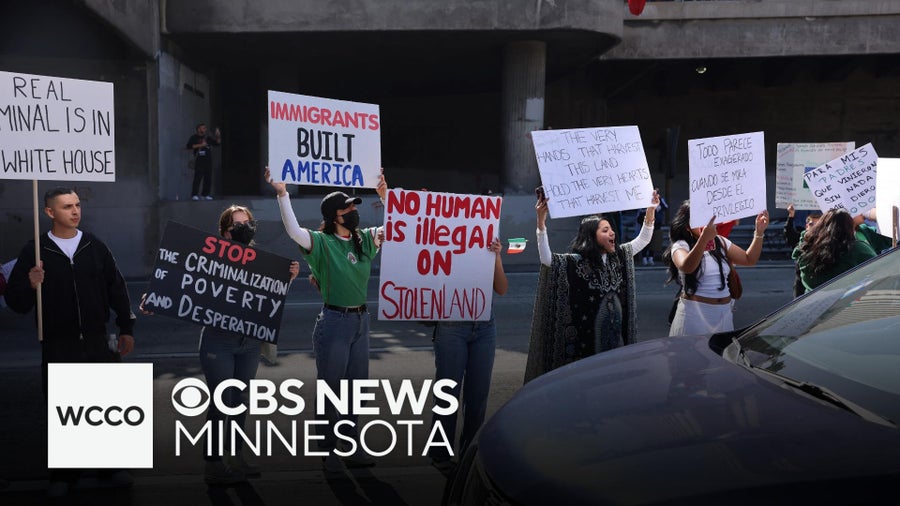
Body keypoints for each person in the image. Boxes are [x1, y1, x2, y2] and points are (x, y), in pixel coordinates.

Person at [141, 205, 300, 484]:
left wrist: (287, 278)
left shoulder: (262, 261)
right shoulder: (209, 256)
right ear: (224, 232)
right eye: (235, 225)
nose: (242, 228)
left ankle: (235, 456)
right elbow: (181, 282)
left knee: (239, 402)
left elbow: (266, 302)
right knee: (221, 402)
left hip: (249, 343)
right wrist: (154, 297)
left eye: (247, 223)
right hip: (219, 342)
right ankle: (213, 463)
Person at [4, 187, 136, 497]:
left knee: (105, 407)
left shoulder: (94, 245)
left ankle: (111, 467)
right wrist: (30, 283)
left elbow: (116, 288)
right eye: (66, 207)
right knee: (63, 410)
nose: (75, 211)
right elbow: (16, 302)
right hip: (57, 341)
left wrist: (127, 327)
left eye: (77, 205)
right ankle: (64, 475)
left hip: (97, 339)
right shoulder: (35, 250)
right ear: (50, 212)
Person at [266, 167, 387, 473]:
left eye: (353, 207)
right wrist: (282, 194)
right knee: (331, 390)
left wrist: (386, 197)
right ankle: (330, 452)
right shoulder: (320, 242)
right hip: (334, 322)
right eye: (347, 207)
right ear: (334, 215)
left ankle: (350, 447)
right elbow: (294, 231)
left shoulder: (363, 240)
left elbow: (400, 227)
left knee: (355, 389)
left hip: (361, 321)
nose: (352, 211)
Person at [524, 189, 661, 382]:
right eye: (605, 230)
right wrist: (541, 222)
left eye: (611, 229)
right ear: (591, 236)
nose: (612, 233)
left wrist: (650, 209)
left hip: (615, 345)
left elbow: (644, 238)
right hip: (585, 349)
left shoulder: (619, 256)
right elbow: (547, 259)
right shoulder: (576, 262)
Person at [428, 237, 508, 471]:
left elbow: (502, 289)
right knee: (447, 393)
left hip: (484, 327)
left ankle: (470, 454)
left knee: (478, 395)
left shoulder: (488, 250)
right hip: (451, 327)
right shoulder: (440, 248)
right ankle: (439, 454)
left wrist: (497, 256)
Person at [664, 201, 769, 336]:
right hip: (693, 317)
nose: (705, 224)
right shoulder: (681, 245)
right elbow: (686, 267)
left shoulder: (720, 241)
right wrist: (703, 239)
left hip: (723, 316)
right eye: (698, 220)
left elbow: (749, 259)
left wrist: (759, 232)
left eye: (706, 219)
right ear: (688, 227)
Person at [793, 208, 876, 293]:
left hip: (814, 302)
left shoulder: (806, 249)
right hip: (849, 300)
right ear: (849, 227)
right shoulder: (857, 248)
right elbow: (878, 270)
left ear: (821, 225)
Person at [784, 204, 822, 297]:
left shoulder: (826, 241)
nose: (814, 227)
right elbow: (789, 233)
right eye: (811, 224)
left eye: (818, 225)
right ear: (806, 226)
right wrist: (791, 216)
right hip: (801, 287)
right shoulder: (800, 240)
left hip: (820, 286)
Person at [186, 122, 222, 201]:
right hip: (199, 160)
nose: (205, 129)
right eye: (203, 128)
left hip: (208, 161)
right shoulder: (194, 137)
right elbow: (189, 146)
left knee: (208, 178)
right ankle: (194, 194)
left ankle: (205, 194)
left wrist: (218, 135)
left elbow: (217, 143)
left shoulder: (207, 138)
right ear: (199, 129)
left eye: (205, 128)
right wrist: (201, 145)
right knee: (198, 177)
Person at [636, 195, 668, 266]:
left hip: (656, 225)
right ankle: (644, 258)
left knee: (654, 242)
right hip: (645, 224)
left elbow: (665, 207)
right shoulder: (644, 199)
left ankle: (651, 258)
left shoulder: (660, 199)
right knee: (645, 241)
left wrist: (657, 208)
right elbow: (640, 213)